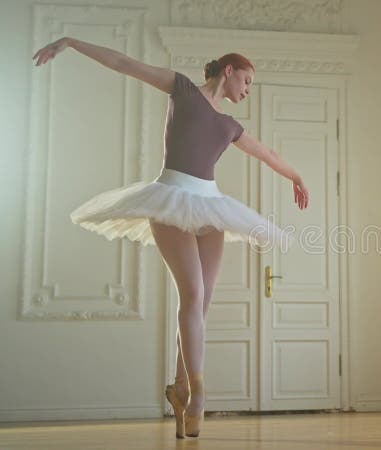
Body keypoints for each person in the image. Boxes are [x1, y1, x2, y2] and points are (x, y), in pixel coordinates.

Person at [32, 37, 309, 439]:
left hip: (210, 205)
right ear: (227, 71)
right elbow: (123, 61)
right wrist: (70, 43)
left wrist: (296, 176)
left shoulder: (230, 125)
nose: (248, 90)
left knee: (204, 300)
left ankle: (180, 387)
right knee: (192, 295)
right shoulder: (181, 88)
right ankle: (197, 392)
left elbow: (265, 152)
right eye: (247, 80)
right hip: (171, 199)